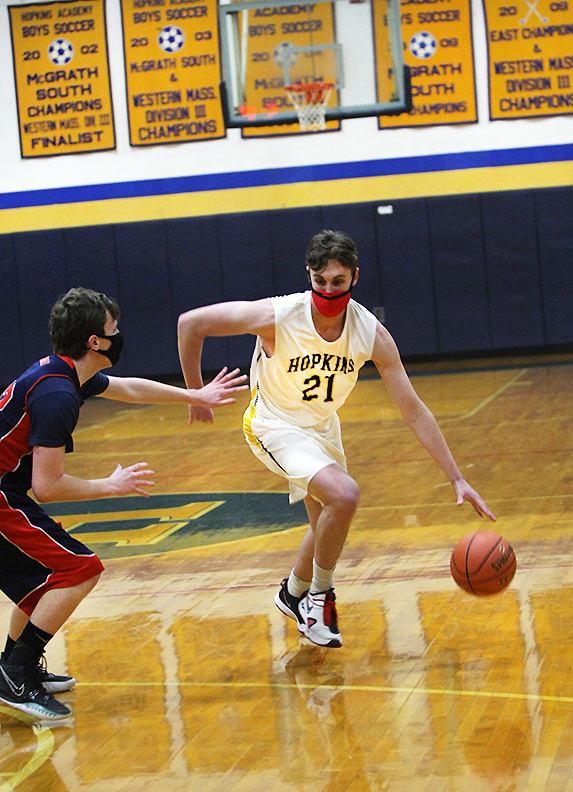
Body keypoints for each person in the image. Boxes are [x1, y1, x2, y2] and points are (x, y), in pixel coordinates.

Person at [177, 230, 496, 650]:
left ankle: (292, 593)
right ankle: (319, 599)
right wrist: (195, 392)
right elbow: (191, 324)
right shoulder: (278, 315)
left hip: (322, 428)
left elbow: (414, 410)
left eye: (338, 281)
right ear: (309, 275)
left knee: (325, 525)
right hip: (274, 424)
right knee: (344, 495)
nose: (328, 290)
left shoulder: (370, 333)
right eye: (320, 281)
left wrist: (456, 477)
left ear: (354, 278)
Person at [0, 287, 247, 721]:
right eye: (114, 329)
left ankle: (11, 667)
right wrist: (111, 485)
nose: (120, 335)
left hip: (8, 491)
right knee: (80, 569)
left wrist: (196, 395)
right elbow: (48, 486)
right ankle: (16, 673)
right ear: (95, 341)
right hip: (5, 495)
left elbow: (129, 388)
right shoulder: (57, 395)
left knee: (45, 580)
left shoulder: (64, 373)